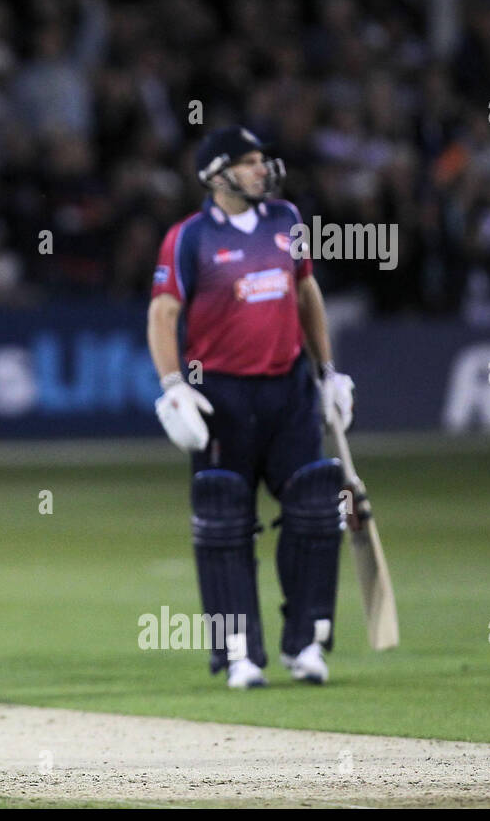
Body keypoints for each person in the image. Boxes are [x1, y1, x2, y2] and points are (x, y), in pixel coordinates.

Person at [147, 125, 356, 688]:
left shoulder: (287, 220)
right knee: (223, 519)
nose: (262, 169)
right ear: (217, 175)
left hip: (287, 390)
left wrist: (327, 371)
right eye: (248, 162)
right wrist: (172, 384)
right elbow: (164, 313)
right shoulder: (188, 238)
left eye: (263, 159)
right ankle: (239, 653)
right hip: (221, 396)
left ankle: (306, 644)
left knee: (316, 504)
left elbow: (307, 293)